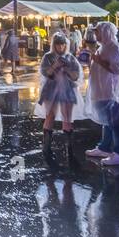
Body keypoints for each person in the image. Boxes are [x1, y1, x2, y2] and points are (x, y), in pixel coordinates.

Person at [84, 21, 119, 166]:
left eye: (97, 31)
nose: (95, 34)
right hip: (101, 92)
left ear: (106, 32)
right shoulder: (102, 48)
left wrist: (99, 61)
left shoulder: (115, 48)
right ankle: (104, 147)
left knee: (115, 123)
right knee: (107, 122)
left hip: (111, 93)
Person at [37, 33, 83, 167]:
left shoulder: (70, 58)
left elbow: (76, 76)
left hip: (67, 91)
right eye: (58, 43)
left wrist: (67, 68)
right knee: (49, 116)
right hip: (50, 91)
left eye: (63, 44)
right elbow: (46, 73)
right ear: (54, 44)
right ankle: (46, 147)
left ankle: (68, 149)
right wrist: (55, 65)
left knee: (67, 117)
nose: (60, 46)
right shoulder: (48, 57)